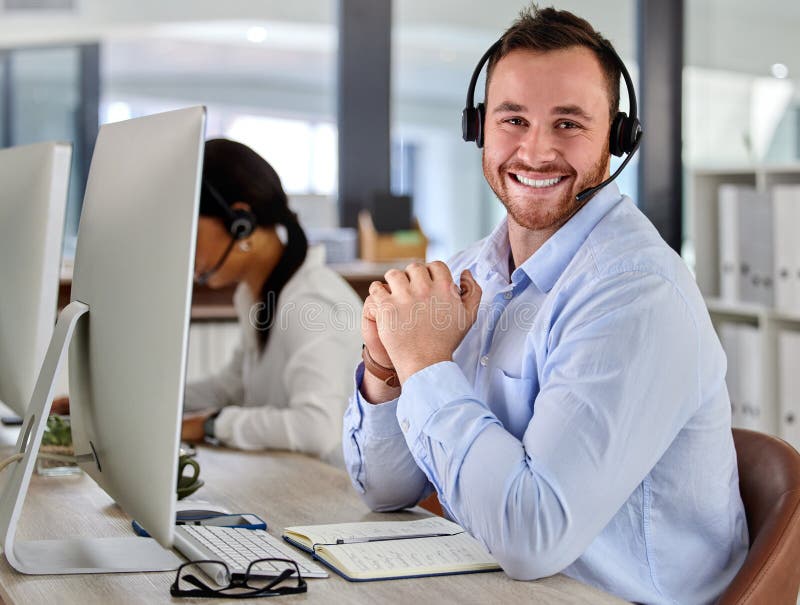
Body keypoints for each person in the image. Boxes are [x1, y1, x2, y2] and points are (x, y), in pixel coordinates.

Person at [342, 6, 748, 604]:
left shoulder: (636, 292)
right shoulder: (465, 273)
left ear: (617, 138)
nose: (535, 151)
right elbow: (383, 490)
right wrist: (388, 373)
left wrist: (427, 365)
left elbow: (532, 537)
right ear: (478, 126)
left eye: (568, 124)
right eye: (513, 119)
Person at [183, 138, 361, 467]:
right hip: (289, 483)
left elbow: (318, 428)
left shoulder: (311, 303)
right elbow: (231, 388)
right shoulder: (256, 293)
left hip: (331, 499)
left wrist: (211, 425)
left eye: (190, 231)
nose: (184, 247)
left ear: (241, 223)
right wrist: (144, 405)